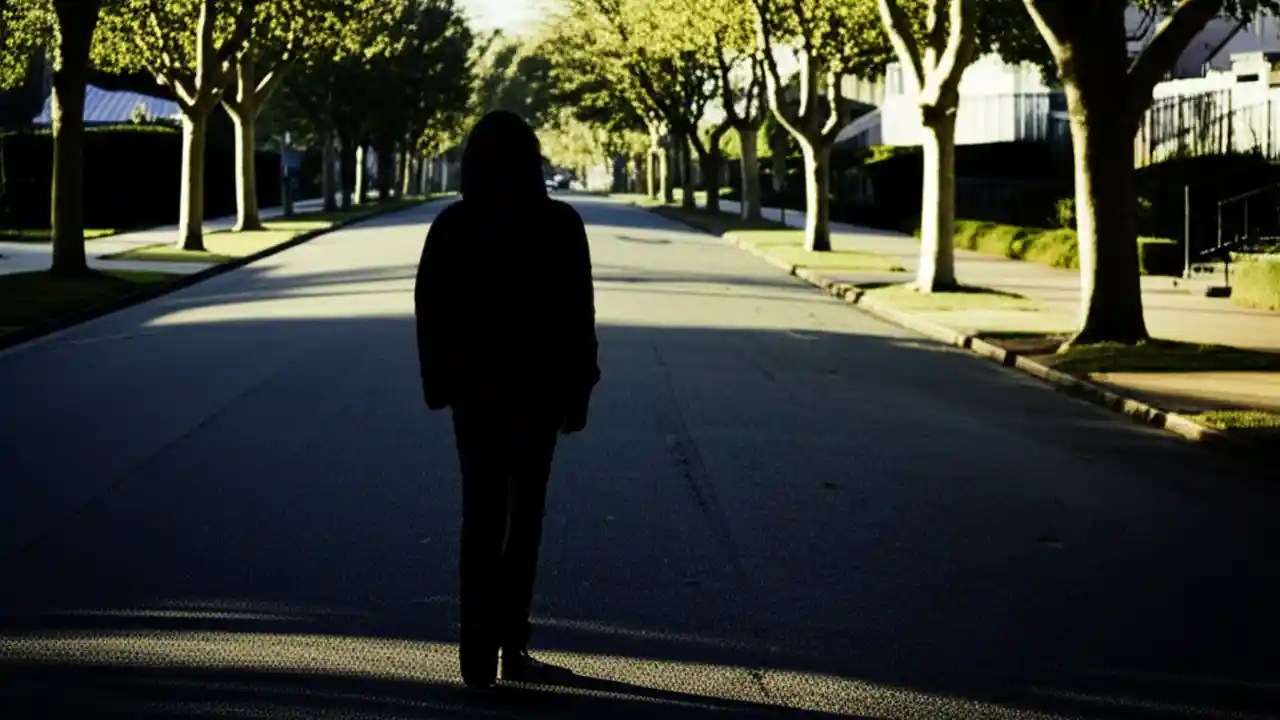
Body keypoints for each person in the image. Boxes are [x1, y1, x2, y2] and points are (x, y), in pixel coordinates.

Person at [414, 110, 600, 690]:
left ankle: (476, 650)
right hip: (538, 395)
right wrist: (578, 392)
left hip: (476, 398)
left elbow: (430, 313)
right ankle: (510, 641)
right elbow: (578, 316)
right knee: (524, 521)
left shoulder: (452, 227)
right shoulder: (560, 226)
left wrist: (440, 385)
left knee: (481, 516)